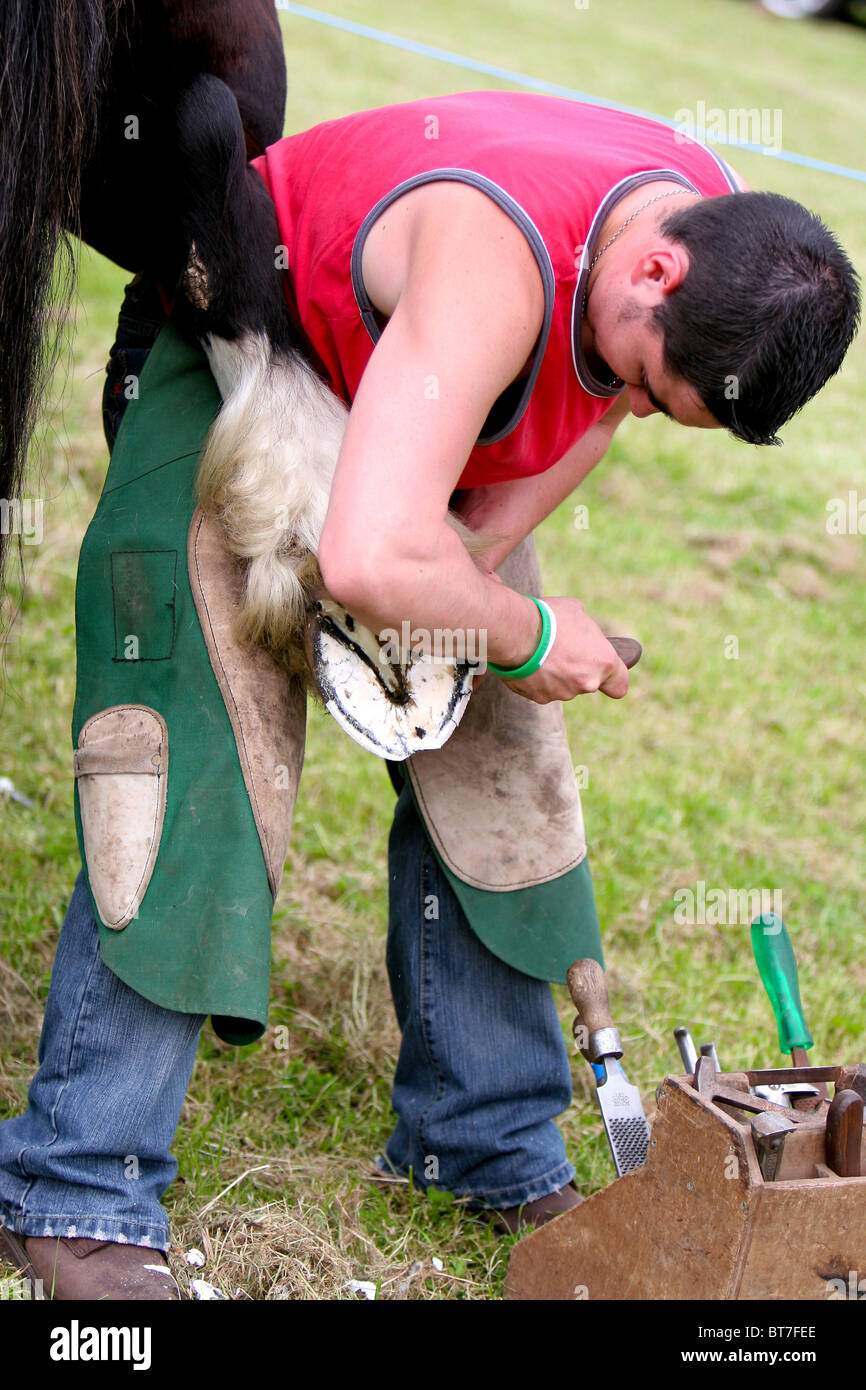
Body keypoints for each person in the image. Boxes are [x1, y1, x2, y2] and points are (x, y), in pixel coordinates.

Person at [0, 91, 859, 1301]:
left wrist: (491, 565)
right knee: (196, 760)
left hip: (412, 401)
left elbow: (591, 411)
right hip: (240, 343)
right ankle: (78, 1187)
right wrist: (522, 630)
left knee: (506, 768)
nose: (643, 410)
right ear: (659, 266)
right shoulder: (490, 268)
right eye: (655, 382)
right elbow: (365, 558)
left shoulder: (700, 230)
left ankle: (483, 1144)